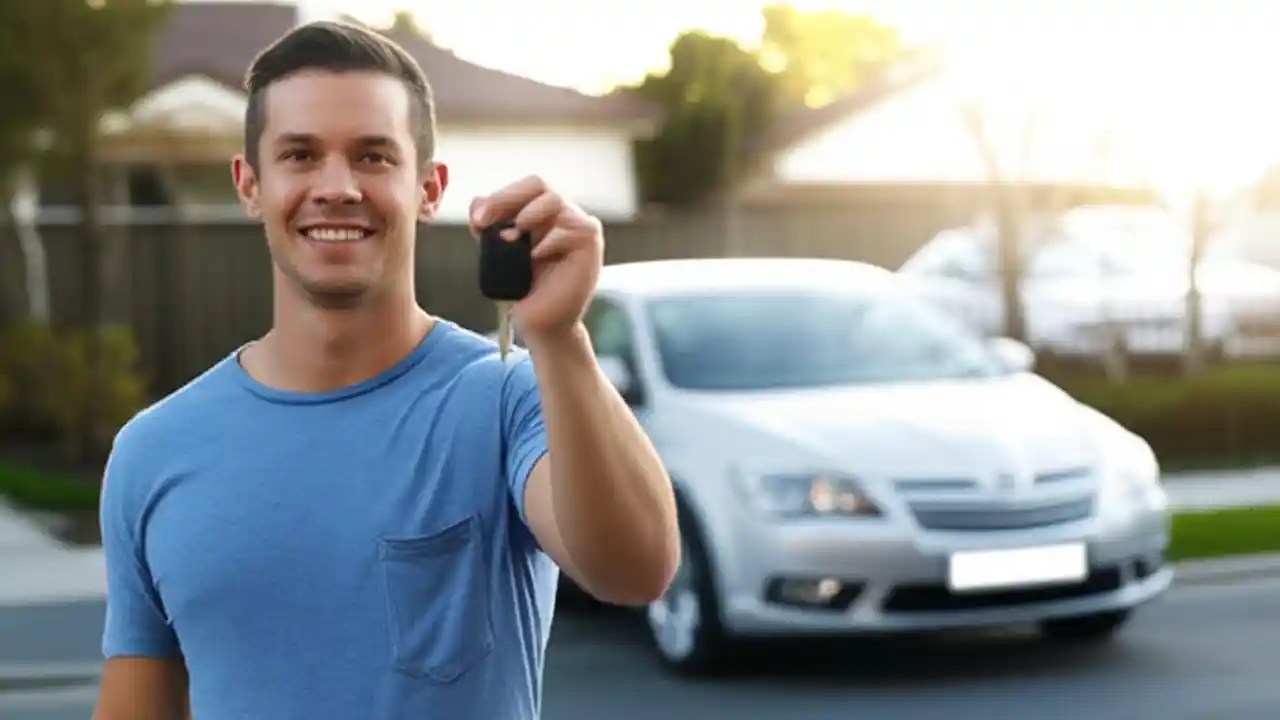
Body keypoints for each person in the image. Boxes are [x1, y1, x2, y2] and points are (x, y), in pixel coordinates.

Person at [92, 20, 679, 720]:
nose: (336, 187)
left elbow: (637, 569)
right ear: (249, 184)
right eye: (301, 155)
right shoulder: (152, 453)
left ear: (429, 189)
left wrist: (559, 338)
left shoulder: (506, 399)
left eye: (372, 157)